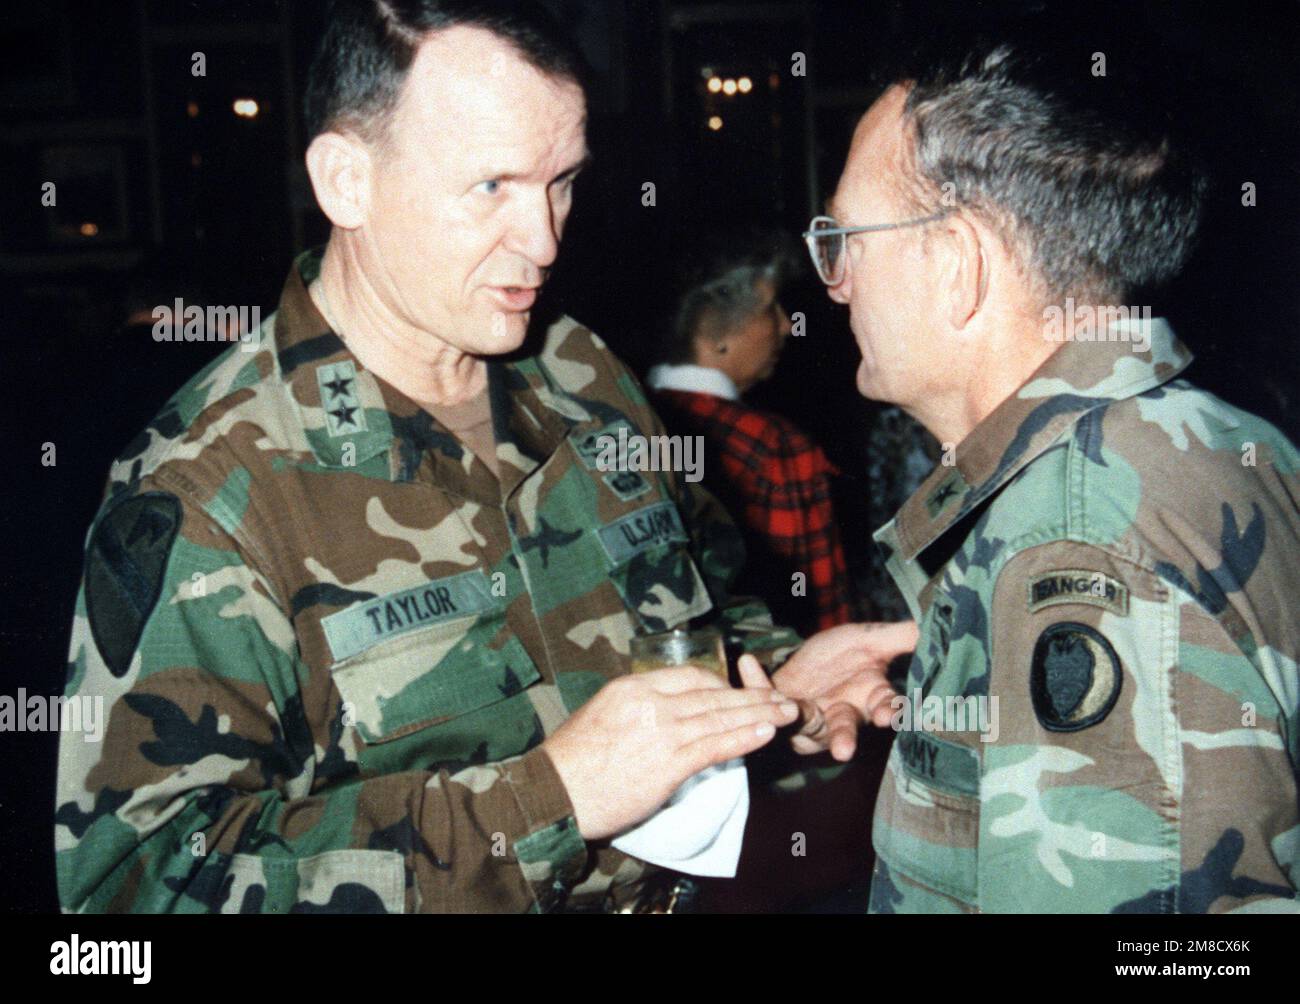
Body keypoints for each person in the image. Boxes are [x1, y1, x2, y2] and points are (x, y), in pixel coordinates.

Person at [55, 0, 911, 914]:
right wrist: (548, 797)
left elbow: (694, 601)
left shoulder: (579, 370)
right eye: (493, 186)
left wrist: (775, 678)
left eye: (563, 182)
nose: (545, 240)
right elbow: (134, 890)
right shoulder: (211, 487)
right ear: (346, 182)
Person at [783, 42, 1300, 912]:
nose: (834, 287)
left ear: (957, 263)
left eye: (842, 239)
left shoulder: (1072, 537)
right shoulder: (1224, 434)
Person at [647, 232, 857, 637]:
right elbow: (824, 612)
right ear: (713, 333)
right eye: (770, 308)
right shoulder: (775, 448)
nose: (785, 325)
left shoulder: (620, 424)